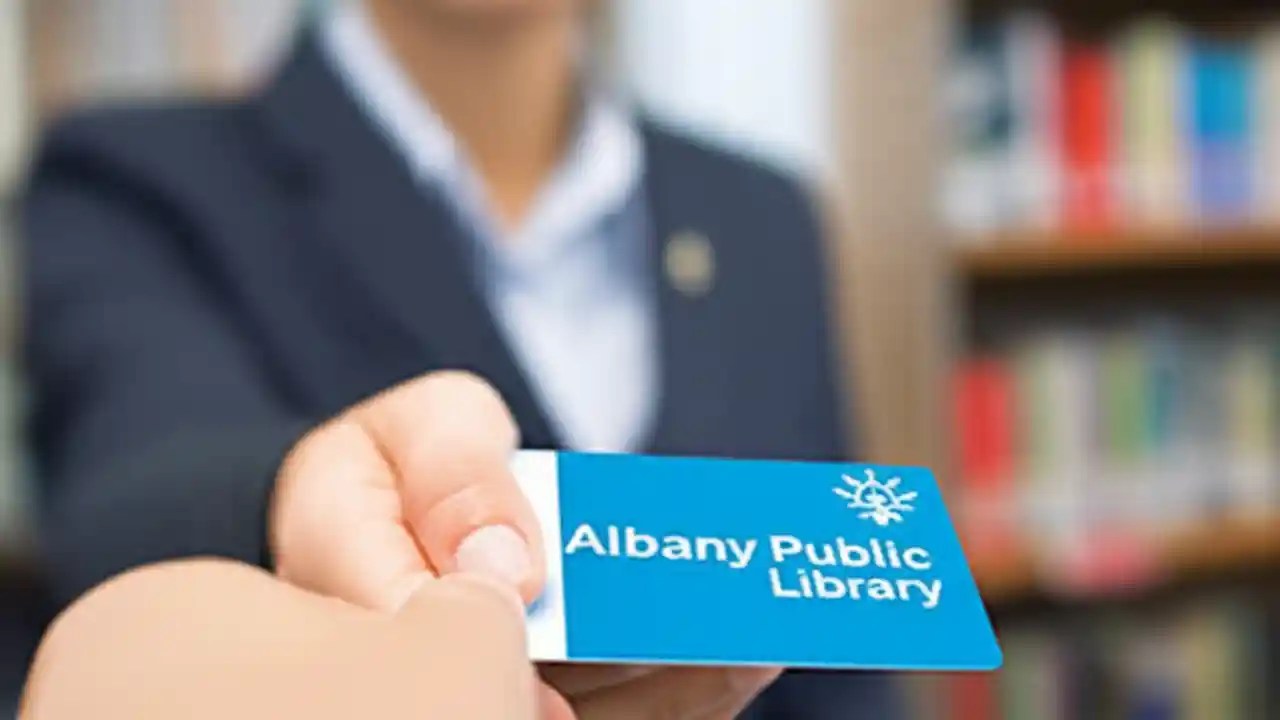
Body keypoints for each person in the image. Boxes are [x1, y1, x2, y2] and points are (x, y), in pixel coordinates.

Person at [22, 0, 899, 716]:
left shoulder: (763, 217)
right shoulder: (136, 179)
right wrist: (303, 489)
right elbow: (132, 484)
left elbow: (842, 661)